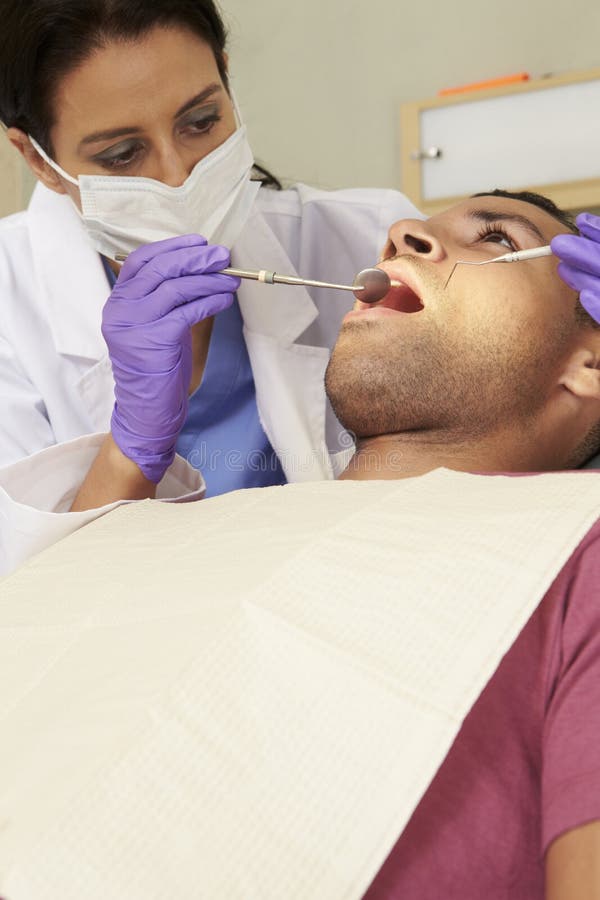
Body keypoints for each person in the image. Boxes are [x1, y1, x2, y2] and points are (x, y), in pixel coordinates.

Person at [2, 189, 600, 899]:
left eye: (497, 239)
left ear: (590, 365)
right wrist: (129, 451)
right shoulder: (179, 530)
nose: (402, 233)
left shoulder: (578, 548)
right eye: (411, 230)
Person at [0, 0, 420, 516]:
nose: (179, 178)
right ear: (34, 158)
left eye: (200, 121)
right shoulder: (9, 298)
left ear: (226, 78)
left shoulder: (367, 238)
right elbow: (27, 584)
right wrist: (130, 448)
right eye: (120, 155)